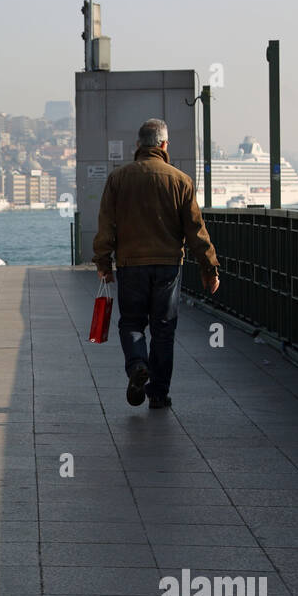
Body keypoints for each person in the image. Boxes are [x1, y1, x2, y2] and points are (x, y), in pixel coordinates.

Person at [93, 118, 221, 409]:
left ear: (138, 145)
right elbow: (196, 231)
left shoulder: (118, 178)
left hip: (130, 264)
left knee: (132, 323)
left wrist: (103, 261)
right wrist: (209, 268)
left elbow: (106, 225)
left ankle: (138, 365)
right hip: (167, 265)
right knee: (163, 329)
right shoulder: (180, 180)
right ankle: (159, 394)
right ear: (164, 145)